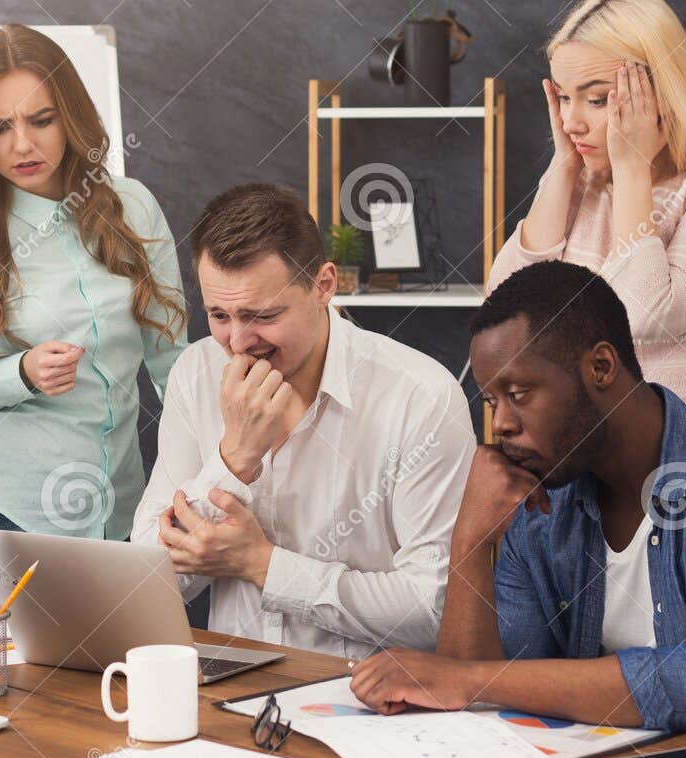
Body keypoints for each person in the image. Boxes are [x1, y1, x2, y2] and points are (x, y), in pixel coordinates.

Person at [350, 260, 686, 743]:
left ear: (602, 367)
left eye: (519, 392)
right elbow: (480, 699)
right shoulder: (543, 504)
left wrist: (473, 681)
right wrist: (471, 543)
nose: (500, 423)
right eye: (491, 400)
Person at [131, 182, 476, 659]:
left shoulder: (423, 398)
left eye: (262, 315)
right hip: (228, 695)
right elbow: (150, 580)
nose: (237, 342)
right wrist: (235, 461)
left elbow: (433, 608)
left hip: (364, 706)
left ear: (323, 286)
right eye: (219, 315)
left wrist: (265, 567)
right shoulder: (196, 373)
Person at [0, 24, 187, 595]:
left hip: (125, 518)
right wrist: (19, 374)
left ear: (70, 117)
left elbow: (174, 365)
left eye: (40, 120)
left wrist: (210, 478)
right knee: (11, 686)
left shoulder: (133, 207)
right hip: (11, 519)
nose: (22, 145)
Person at [488, 0, 686, 427]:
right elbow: (505, 315)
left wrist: (632, 172)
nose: (572, 121)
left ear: (663, 92)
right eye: (565, 97)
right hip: (595, 466)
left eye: (597, 98)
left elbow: (648, 316)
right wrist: (562, 168)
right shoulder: (579, 181)